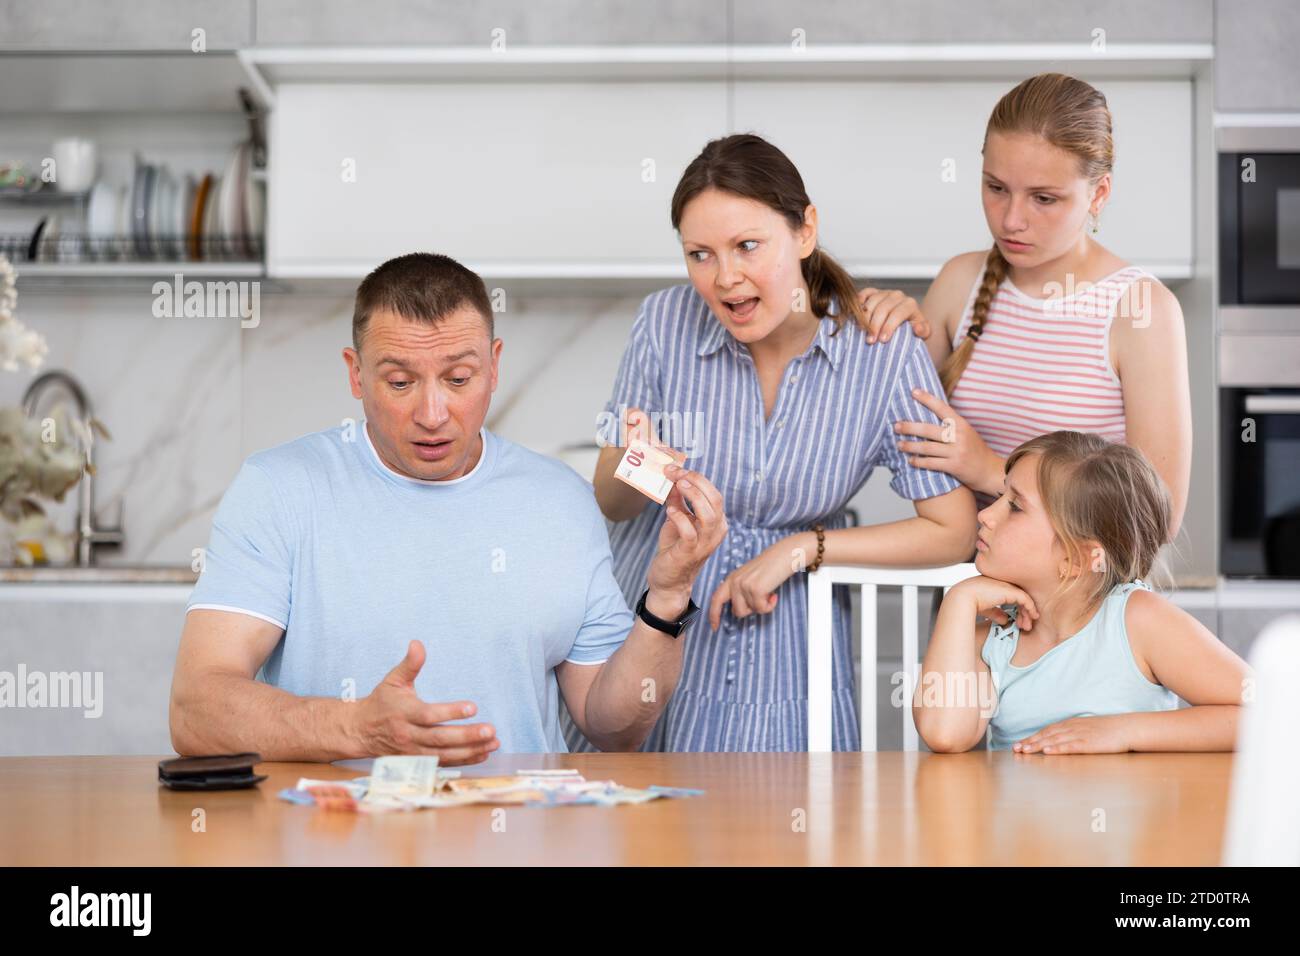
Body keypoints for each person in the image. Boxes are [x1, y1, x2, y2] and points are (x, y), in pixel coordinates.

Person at [170, 252, 727, 763]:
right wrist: (356, 729)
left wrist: (669, 596)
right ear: (355, 373)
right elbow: (197, 709)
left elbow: (613, 726)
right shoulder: (280, 489)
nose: (432, 412)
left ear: (494, 365)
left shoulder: (560, 499)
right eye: (400, 381)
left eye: (459, 378)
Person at [574, 134, 977, 753]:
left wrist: (802, 548)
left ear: (805, 230)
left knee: (792, 828)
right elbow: (612, 500)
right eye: (699, 254)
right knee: (646, 830)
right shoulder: (663, 323)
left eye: (747, 246)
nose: (725, 278)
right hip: (657, 618)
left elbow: (951, 529)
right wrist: (641, 464)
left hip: (790, 636)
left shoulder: (882, 353)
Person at [861, 73, 1192, 536]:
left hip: (1083, 602)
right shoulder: (961, 282)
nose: (1012, 220)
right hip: (970, 596)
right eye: (996, 188)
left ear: (1098, 194)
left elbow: (1161, 514)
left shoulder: (1140, 309)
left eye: (1043, 198)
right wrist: (884, 327)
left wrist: (991, 471)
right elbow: (869, 414)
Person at [914, 431, 1249, 753]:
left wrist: (1124, 730)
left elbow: (1265, 712)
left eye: (1015, 507)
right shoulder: (992, 640)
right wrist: (958, 601)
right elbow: (944, 734)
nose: (985, 514)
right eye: (1001, 497)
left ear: (1076, 559)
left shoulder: (1138, 621)